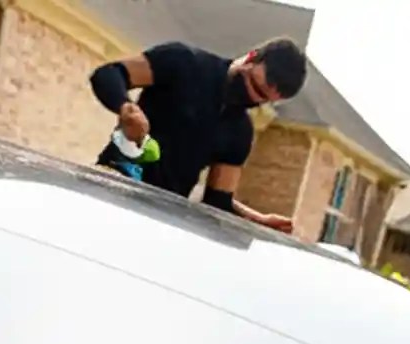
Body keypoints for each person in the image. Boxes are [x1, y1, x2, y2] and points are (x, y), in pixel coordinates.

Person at [89, 37, 308, 233]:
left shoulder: (239, 132)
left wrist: (255, 219)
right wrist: (125, 107)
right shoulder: (183, 61)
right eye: (255, 85)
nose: (252, 97)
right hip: (111, 186)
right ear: (251, 57)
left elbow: (217, 203)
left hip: (159, 220)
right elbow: (109, 74)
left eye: (262, 99)